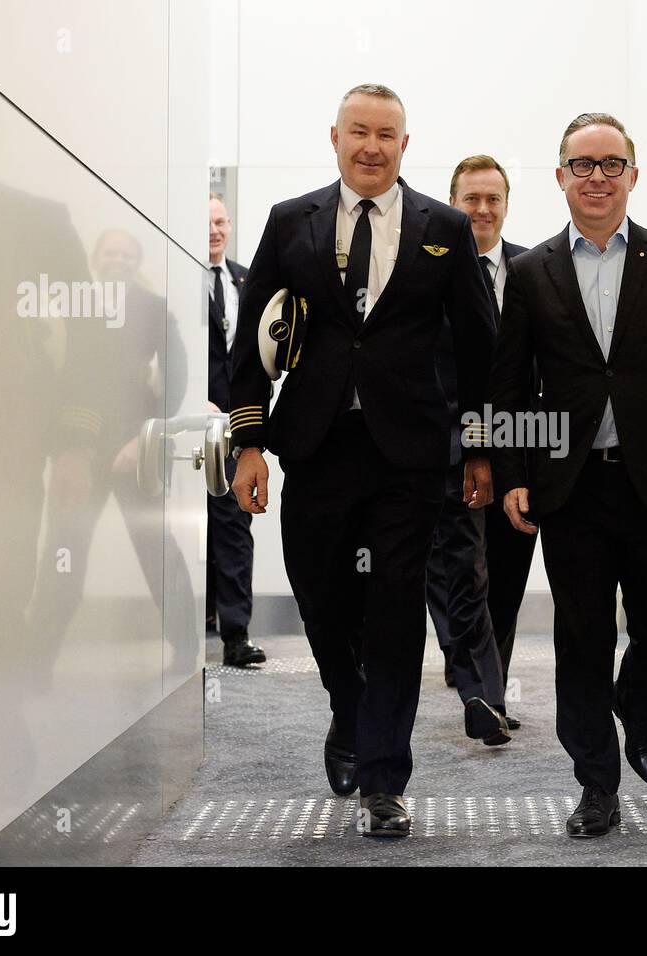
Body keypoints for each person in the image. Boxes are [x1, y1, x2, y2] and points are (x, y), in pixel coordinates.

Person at [229, 84, 496, 838]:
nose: (372, 146)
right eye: (359, 132)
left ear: (406, 145)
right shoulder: (291, 222)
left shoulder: (445, 229)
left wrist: (480, 448)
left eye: (387, 134)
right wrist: (249, 443)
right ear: (336, 138)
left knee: (394, 609)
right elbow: (249, 341)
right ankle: (349, 709)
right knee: (322, 598)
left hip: (409, 456)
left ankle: (385, 775)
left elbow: (481, 350)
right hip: (315, 447)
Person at [488, 113, 647, 838]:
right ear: (561, 176)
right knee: (584, 637)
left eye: (611, 163)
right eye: (582, 165)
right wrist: (512, 473)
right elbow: (508, 386)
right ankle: (597, 783)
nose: (597, 177)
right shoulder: (531, 273)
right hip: (572, 490)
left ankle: (639, 706)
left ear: (632, 173)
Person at [425, 155, 531, 741]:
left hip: (520, 446)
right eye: (472, 199)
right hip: (451, 444)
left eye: (493, 199)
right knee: (462, 568)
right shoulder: (430, 269)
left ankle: (491, 683)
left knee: (509, 572)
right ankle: (481, 687)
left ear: (506, 205)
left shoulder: (532, 268)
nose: (483, 209)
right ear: (454, 204)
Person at [207, 194, 265, 667]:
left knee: (233, 524)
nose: (215, 231)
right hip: (186, 422)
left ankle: (236, 633)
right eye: (207, 223)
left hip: (233, 425)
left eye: (222, 222)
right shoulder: (176, 279)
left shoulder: (245, 278)